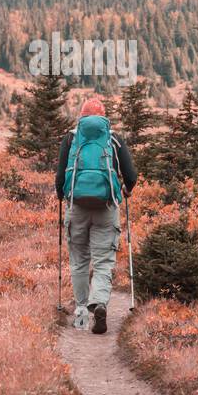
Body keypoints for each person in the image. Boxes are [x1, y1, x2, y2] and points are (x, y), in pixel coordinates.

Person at [55, 97, 138, 334]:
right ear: (104, 117)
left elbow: (60, 177)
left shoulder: (71, 138)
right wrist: (125, 190)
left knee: (79, 260)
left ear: (81, 117)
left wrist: (63, 196)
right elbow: (131, 175)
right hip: (107, 208)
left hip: (76, 206)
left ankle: (81, 311)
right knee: (103, 262)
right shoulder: (113, 139)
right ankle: (99, 303)